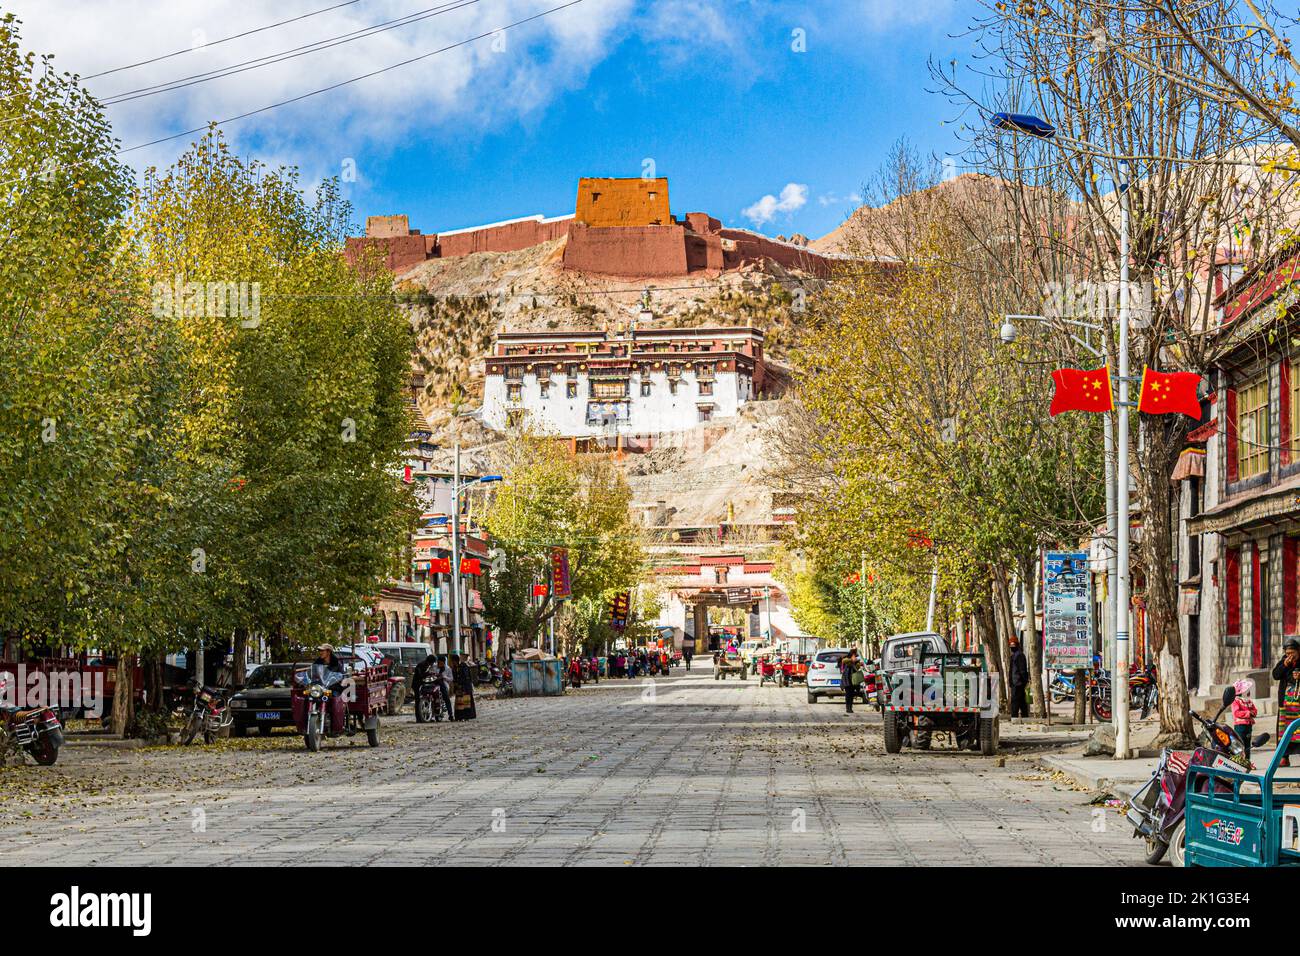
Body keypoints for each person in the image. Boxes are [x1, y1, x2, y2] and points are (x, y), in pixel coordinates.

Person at [1272, 638, 1300, 766]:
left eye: (1292, 653)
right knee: (1284, 729)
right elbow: (1276, 675)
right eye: (1287, 653)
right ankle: (1284, 756)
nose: (1290, 656)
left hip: (1298, 703)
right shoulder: (1284, 661)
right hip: (1286, 703)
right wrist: (1285, 665)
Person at [1231, 678, 1258, 762]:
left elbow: (1254, 710)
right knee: (1240, 744)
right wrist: (1248, 713)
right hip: (1240, 726)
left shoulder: (1248, 701)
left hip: (1248, 725)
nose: (1249, 691)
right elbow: (1236, 713)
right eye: (1247, 690)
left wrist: (1253, 713)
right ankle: (1240, 761)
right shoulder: (1236, 701)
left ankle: (1247, 761)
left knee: (1247, 744)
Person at [451, 653, 477, 721]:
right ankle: (459, 717)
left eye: (452, 661)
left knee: (466, 703)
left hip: (465, 687)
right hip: (458, 688)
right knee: (459, 702)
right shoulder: (454, 668)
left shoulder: (463, 666)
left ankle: (466, 716)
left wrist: (460, 684)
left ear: (455, 661)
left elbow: (466, 677)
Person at [1008, 639, 1029, 718]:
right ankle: (1024, 716)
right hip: (1015, 682)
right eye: (1011, 645)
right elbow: (1011, 670)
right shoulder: (1013, 656)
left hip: (1018, 682)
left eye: (1013, 645)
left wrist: (1025, 680)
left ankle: (1015, 716)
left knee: (1016, 701)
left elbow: (1022, 670)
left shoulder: (1020, 655)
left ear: (1017, 645)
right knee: (1021, 701)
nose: (1012, 647)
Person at [839, 648, 863, 714]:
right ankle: (848, 708)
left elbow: (858, 667)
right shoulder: (846, 659)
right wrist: (852, 660)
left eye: (855, 655)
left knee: (851, 695)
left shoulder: (856, 661)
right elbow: (844, 661)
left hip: (853, 680)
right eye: (854, 655)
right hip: (847, 680)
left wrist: (857, 663)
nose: (854, 656)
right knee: (848, 695)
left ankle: (850, 708)